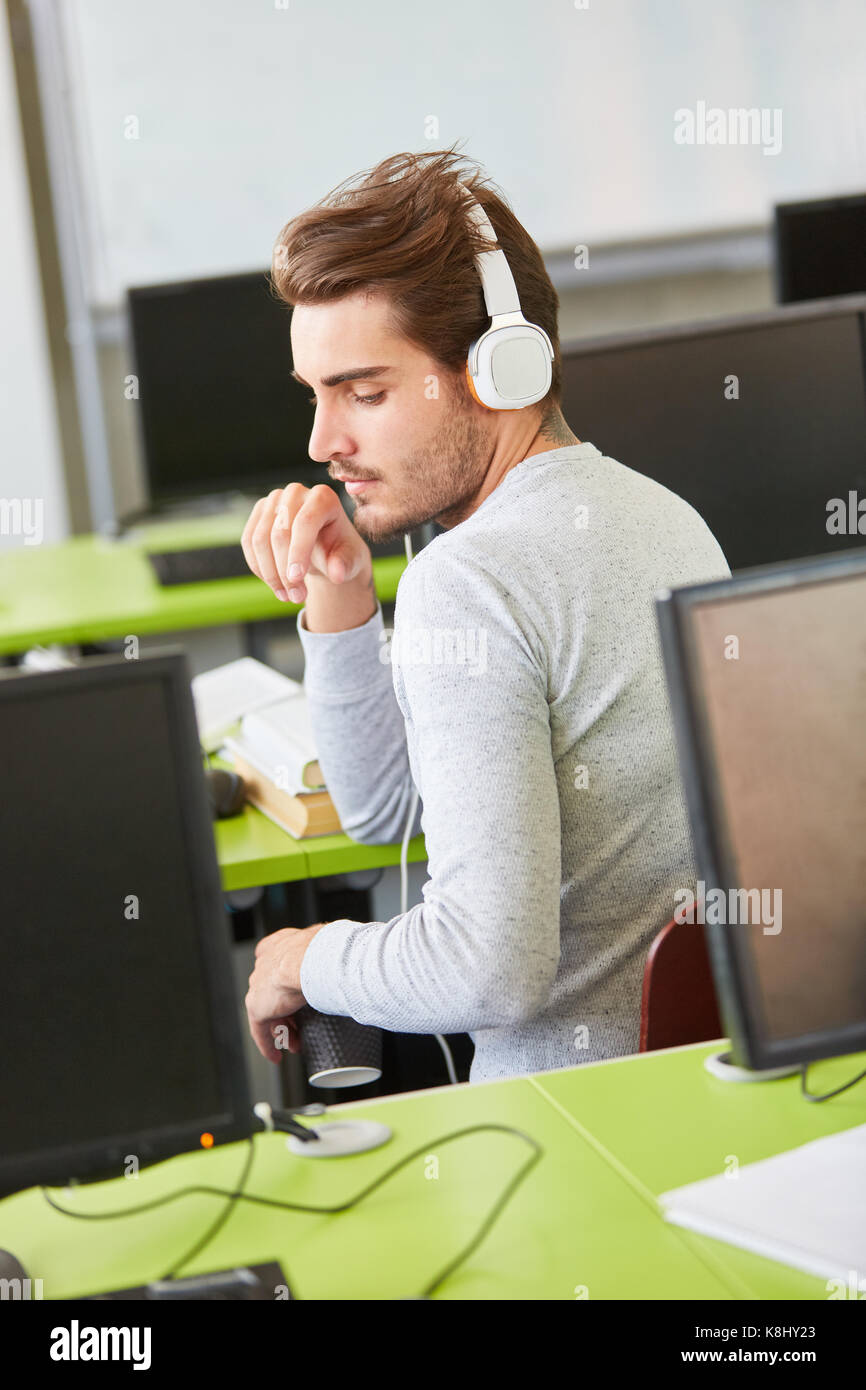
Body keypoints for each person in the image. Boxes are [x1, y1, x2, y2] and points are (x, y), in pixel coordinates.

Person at [242, 145, 730, 1083]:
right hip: (694, 1108)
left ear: (500, 369)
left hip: (559, 1134)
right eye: (317, 396)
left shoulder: (471, 579)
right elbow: (388, 811)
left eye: (366, 393)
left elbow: (486, 966)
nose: (321, 442)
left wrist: (301, 956)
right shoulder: (671, 518)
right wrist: (342, 603)